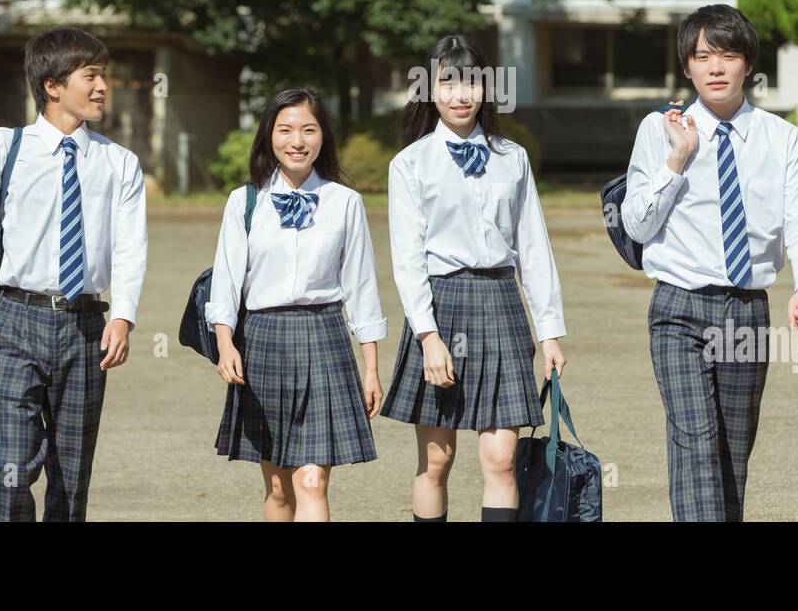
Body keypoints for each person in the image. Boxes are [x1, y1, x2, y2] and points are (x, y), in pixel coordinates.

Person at [621, 3, 798, 521]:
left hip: (748, 312)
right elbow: (638, 227)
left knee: (732, 454)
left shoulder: (783, 140)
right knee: (695, 441)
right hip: (678, 309)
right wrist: (677, 160)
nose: (715, 67)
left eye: (728, 55)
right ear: (686, 67)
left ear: (748, 64)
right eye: (702, 55)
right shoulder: (658, 130)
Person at [0, 26, 148, 521]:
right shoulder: (3, 147)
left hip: (87, 327)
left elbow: (130, 248)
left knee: (72, 473)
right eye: (91, 76)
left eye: (105, 77)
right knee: (9, 464)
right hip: (17, 320)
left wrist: (123, 317)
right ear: (52, 85)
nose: (102, 87)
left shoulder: (119, 163)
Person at [381, 35, 568, 522]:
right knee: (437, 461)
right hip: (440, 308)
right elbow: (407, 259)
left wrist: (549, 330)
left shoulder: (513, 157)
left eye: (470, 82)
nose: (460, 94)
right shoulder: (410, 164)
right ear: (429, 90)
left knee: (502, 460)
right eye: (447, 82)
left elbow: (534, 247)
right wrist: (427, 336)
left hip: (502, 305)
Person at [207, 88, 386, 522]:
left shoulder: (345, 203)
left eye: (309, 129)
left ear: (323, 137)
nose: (297, 141)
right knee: (279, 488)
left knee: (312, 481)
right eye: (286, 130)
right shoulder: (243, 202)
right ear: (269, 135)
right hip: (262, 343)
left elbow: (361, 287)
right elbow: (227, 280)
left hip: (325, 340)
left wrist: (372, 369)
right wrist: (225, 343)